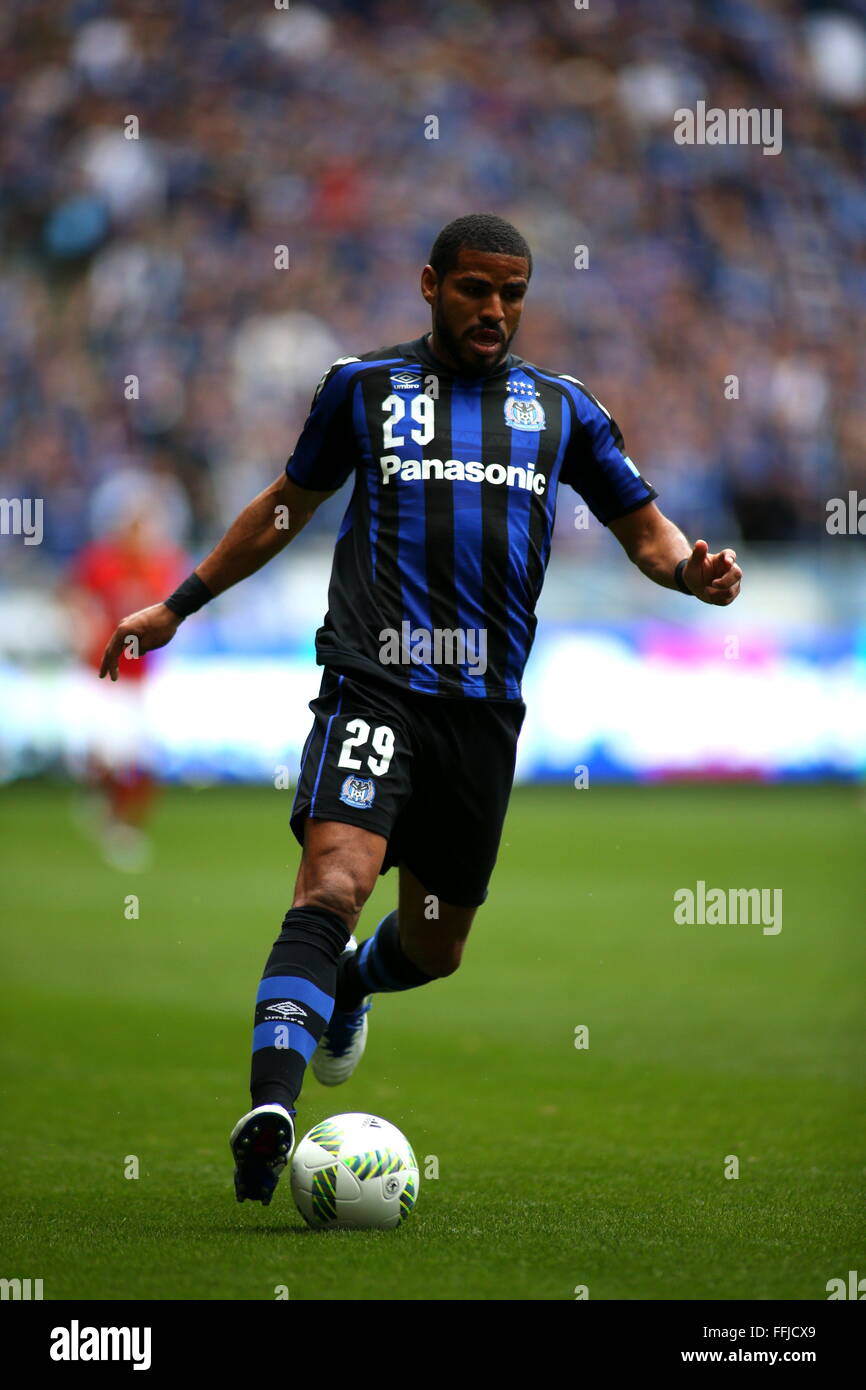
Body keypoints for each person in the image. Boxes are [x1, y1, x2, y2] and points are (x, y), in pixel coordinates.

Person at [99, 213, 742, 1206]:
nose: (495, 311)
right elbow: (284, 508)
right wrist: (179, 604)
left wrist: (691, 571)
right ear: (430, 284)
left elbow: (646, 532)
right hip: (374, 682)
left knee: (435, 945)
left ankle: (351, 985)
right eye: (476, 290)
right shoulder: (363, 390)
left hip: (480, 714)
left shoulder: (563, 410)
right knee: (331, 884)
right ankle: (271, 1109)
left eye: (513, 294)